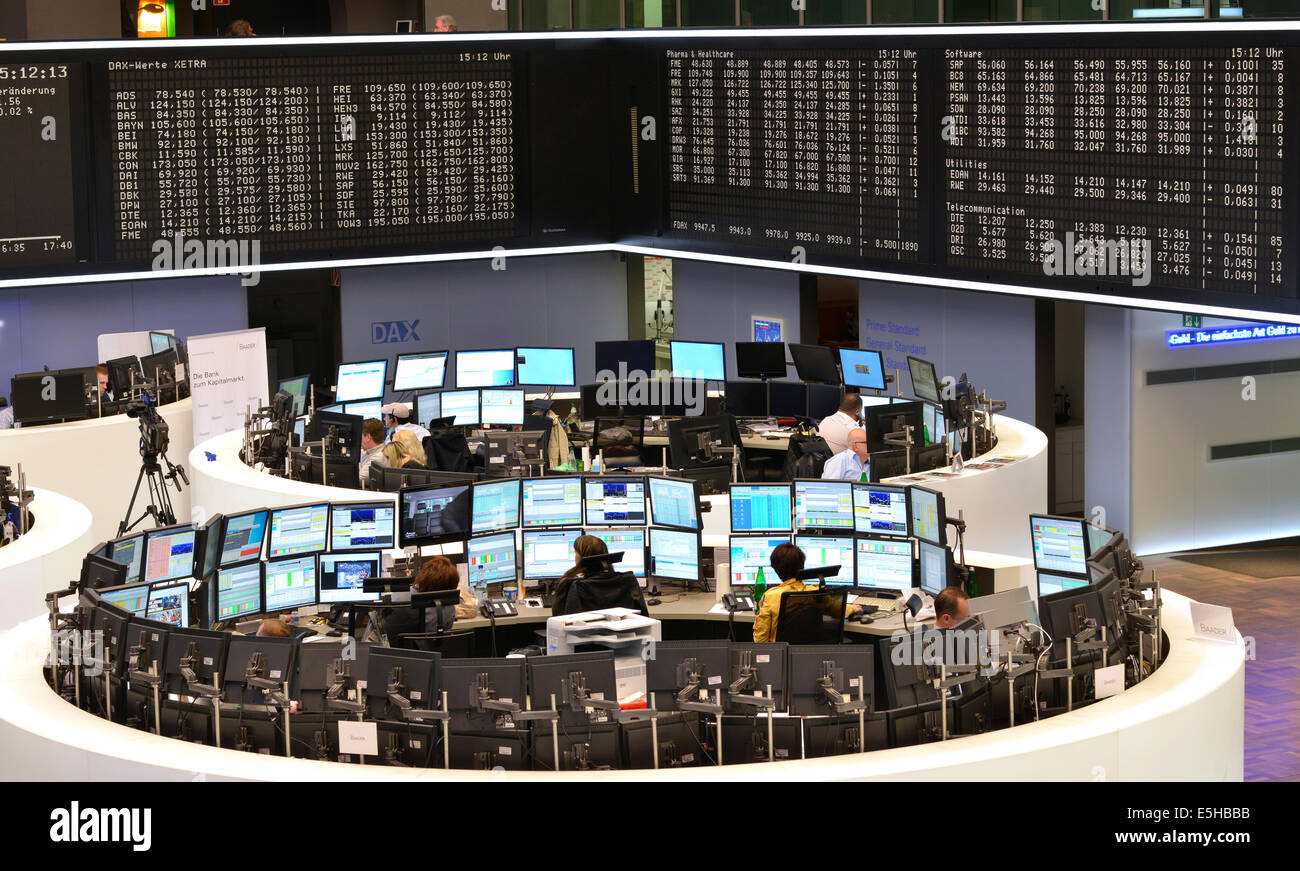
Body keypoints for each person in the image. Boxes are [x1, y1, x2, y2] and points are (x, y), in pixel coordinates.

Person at [752, 543, 861, 643]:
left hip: (781, 656)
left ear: (775, 569)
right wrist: (852, 608)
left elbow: (761, 639)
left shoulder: (770, 597)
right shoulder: (816, 592)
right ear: (802, 567)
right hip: (812, 655)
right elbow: (838, 609)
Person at [384, 555, 477, 643]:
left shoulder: (401, 597)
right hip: (437, 655)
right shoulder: (449, 609)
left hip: (402, 655)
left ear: (423, 575)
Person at [551, 535, 646, 617]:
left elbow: (557, 616)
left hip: (583, 637)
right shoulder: (627, 580)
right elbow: (644, 616)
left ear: (580, 558)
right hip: (625, 635)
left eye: (576, 553)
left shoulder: (573, 584)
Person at [358, 418, 389, 482]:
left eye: (360, 436)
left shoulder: (379, 456)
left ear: (368, 437)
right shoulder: (367, 452)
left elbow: (360, 478)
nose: (359, 439)